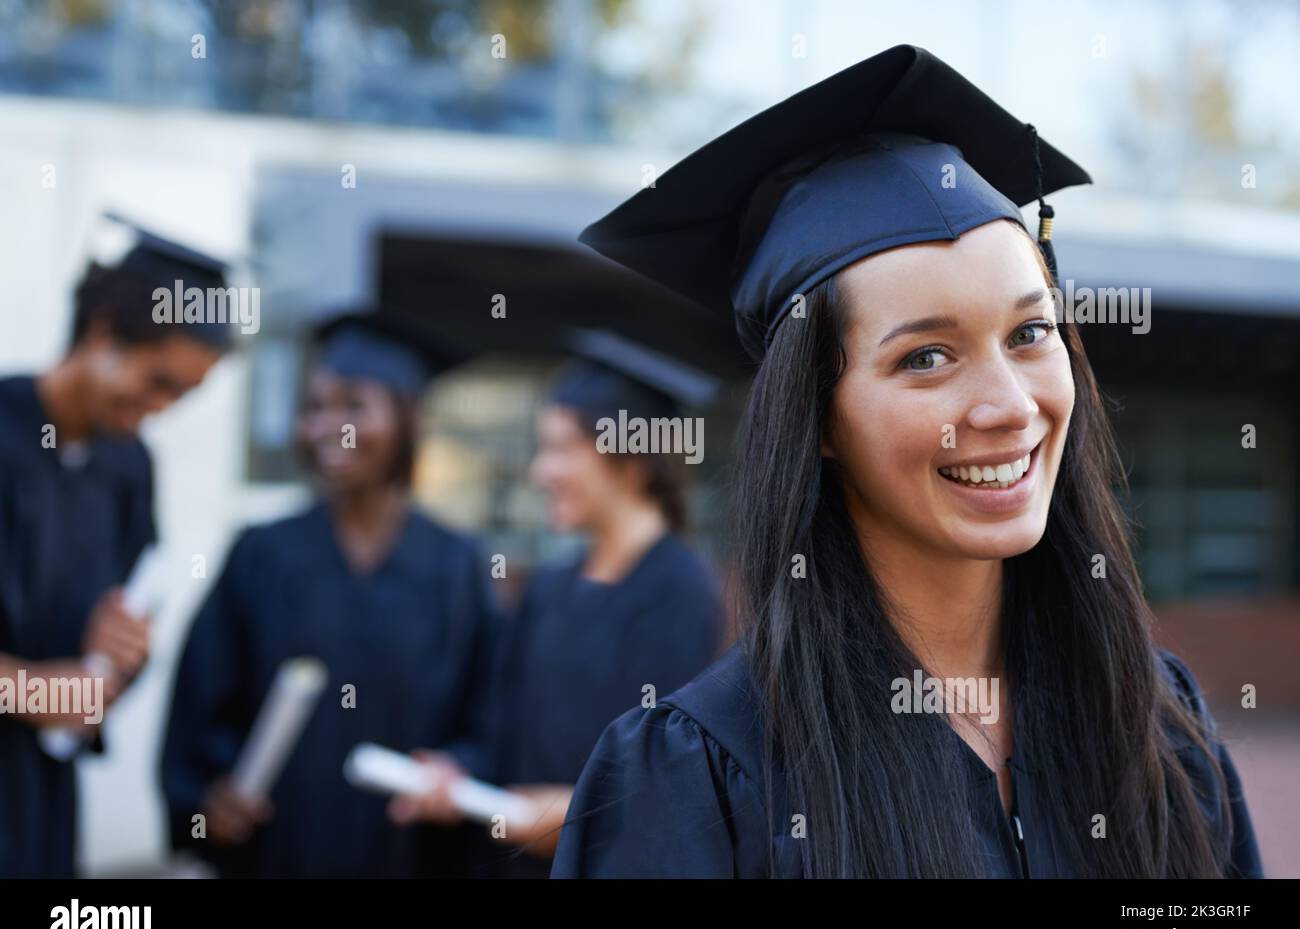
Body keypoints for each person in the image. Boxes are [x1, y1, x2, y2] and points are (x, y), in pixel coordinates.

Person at [552, 45, 1264, 878]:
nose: (1008, 404)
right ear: (816, 417)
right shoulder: (700, 779)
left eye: (1029, 333)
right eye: (926, 356)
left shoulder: (1159, 725)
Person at [160, 310, 497, 877]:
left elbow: (491, 713)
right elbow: (201, 700)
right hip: (277, 852)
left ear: (407, 419)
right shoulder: (263, 552)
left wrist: (457, 767)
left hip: (408, 856)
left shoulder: (456, 564)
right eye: (315, 407)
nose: (326, 428)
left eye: (353, 406)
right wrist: (211, 792)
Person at [389, 330, 725, 876]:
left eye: (562, 450)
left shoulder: (681, 592)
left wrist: (573, 814)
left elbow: (673, 779)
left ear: (631, 458)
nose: (540, 472)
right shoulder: (550, 585)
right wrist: (456, 771)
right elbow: (501, 728)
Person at [0, 214, 232, 877]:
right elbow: (46, 690)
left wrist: (119, 664)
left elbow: (109, 652)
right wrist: (29, 689)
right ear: (103, 333)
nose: (161, 408)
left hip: (42, 798)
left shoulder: (129, 467)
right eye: (159, 381)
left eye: (184, 394)